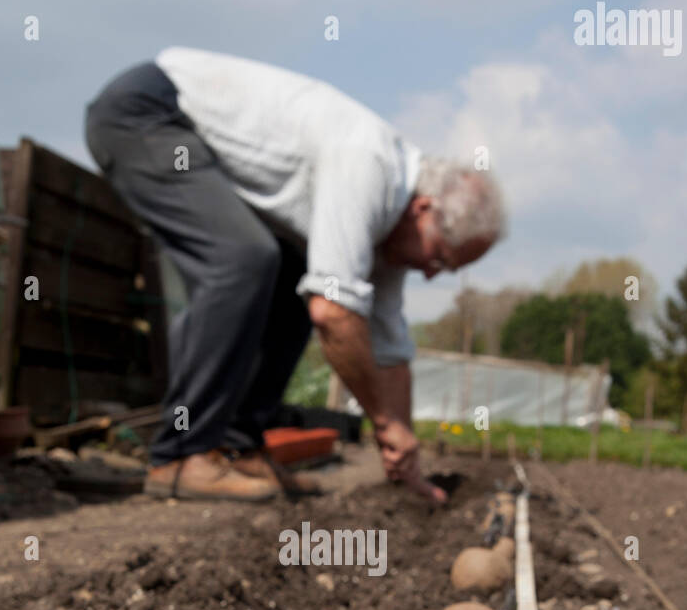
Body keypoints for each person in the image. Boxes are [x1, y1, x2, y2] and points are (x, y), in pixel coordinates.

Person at [84, 50, 504, 503]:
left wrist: (404, 449)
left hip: (178, 130)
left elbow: (390, 349)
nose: (428, 274)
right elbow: (333, 313)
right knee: (241, 259)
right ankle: (182, 454)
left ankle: (237, 446)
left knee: (293, 278)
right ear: (424, 210)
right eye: (438, 259)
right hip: (146, 116)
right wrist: (383, 421)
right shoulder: (369, 165)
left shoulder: (392, 231)